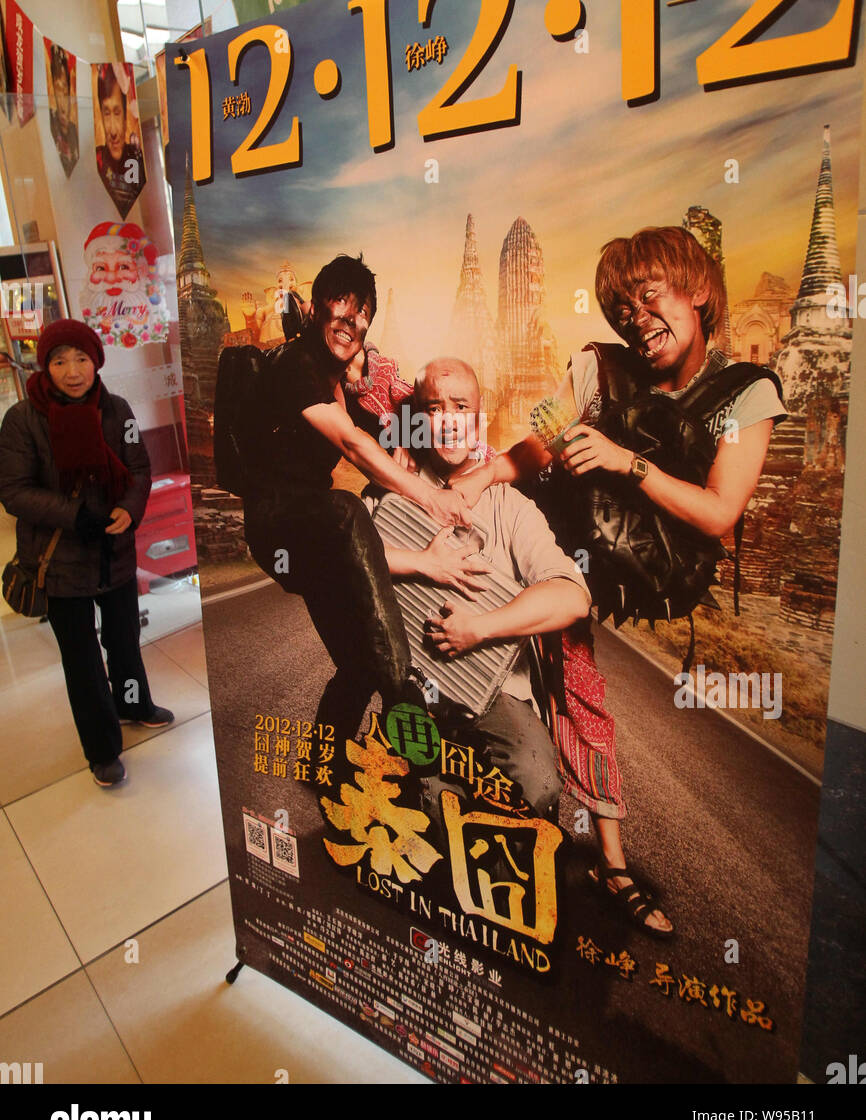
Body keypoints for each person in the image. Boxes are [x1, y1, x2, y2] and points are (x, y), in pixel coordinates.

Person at [450, 227, 787, 933]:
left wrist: (622, 461)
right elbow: (540, 438)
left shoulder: (745, 394)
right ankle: (487, 814)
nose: (636, 317)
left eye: (649, 295)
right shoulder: (598, 367)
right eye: (623, 307)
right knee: (487, 669)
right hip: (539, 540)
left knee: (579, 699)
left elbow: (721, 512)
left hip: (612, 568)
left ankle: (606, 859)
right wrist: (478, 477)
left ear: (698, 291)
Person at [242, 255, 474, 745]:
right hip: (281, 524)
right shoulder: (296, 366)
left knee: (358, 660)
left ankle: (325, 761)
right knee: (346, 510)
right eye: (341, 307)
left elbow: (388, 426)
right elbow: (352, 443)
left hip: (317, 533)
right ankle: (402, 697)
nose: (352, 322)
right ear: (314, 310)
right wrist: (429, 497)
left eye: (363, 312)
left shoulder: (340, 381)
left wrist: (408, 442)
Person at [367, 355, 590, 822]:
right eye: (432, 407)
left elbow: (573, 597)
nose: (447, 420)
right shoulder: (390, 489)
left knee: (539, 782)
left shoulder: (510, 506)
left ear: (477, 415)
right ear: (417, 418)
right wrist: (422, 563)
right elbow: (339, 557)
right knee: (417, 800)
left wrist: (480, 628)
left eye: (460, 406)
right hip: (411, 687)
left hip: (494, 690)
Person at [0, 319, 174, 787]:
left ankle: (134, 704)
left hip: (113, 552)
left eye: (81, 359)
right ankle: (101, 749)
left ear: (96, 361)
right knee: (82, 661)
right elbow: (13, 491)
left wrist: (129, 508)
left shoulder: (117, 410)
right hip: (57, 561)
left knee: (123, 641)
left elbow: (139, 467)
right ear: (45, 365)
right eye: (60, 361)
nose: (72, 371)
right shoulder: (22, 419)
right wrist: (74, 515)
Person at [95, 64, 145, 218]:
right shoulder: (98, 161)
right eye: (107, 113)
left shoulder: (139, 158)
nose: (113, 131)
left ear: (125, 117)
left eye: (117, 113)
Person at [48, 44, 79, 178]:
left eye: (65, 94)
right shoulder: (50, 132)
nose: (62, 107)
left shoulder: (76, 131)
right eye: (57, 93)